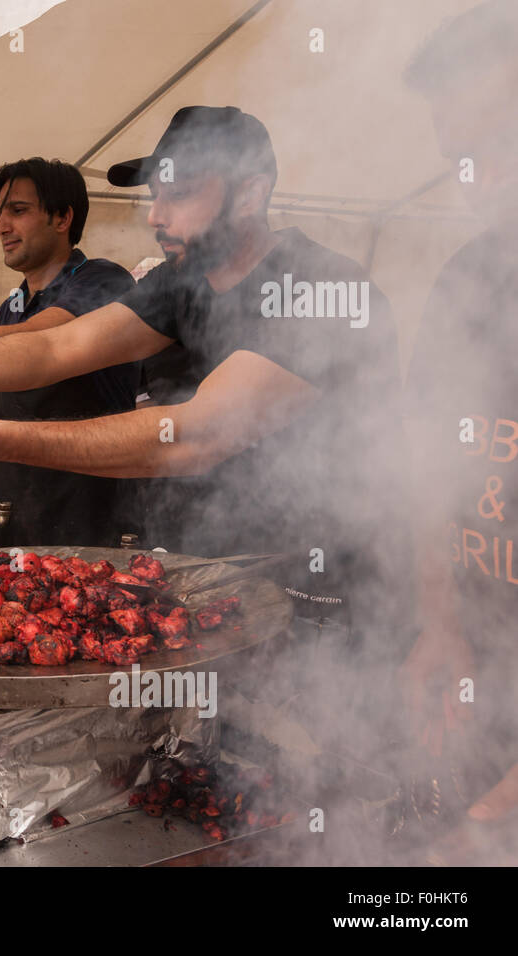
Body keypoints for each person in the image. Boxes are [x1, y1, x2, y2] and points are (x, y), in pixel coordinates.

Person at [0, 106, 408, 639]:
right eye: (155, 197)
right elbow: (56, 347)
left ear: (251, 193)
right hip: (205, 574)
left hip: (319, 592)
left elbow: (195, 436)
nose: (156, 216)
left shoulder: (323, 289)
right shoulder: (180, 280)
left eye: (180, 195)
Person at [398, 0, 518, 863]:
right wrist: (442, 623)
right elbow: (431, 464)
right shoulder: (468, 277)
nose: (477, 179)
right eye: (461, 158)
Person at [0, 158, 137, 546]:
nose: (1, 227)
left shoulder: (103, 281)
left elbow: (43, 341)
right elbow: (28, 391)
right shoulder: (11, 307)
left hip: (92, 518)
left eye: (18, 211)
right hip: (20, 512)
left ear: (62, 218)